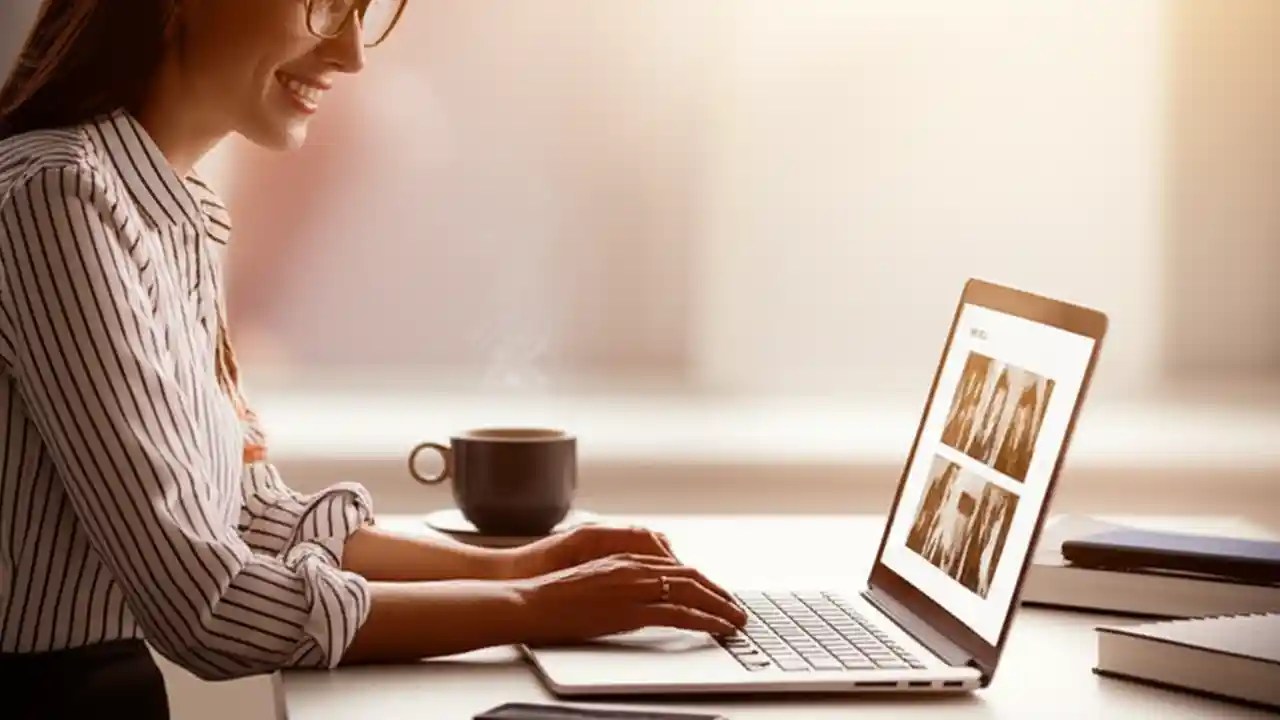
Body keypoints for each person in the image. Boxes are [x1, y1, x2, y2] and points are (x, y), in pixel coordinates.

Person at [0, 2, 746, 718]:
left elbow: (244, 514)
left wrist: (521, 565)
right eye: (326, 4)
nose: (352, 54)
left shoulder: (168, 211)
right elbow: (209, 607)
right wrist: (535, 609)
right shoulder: (58, 199)